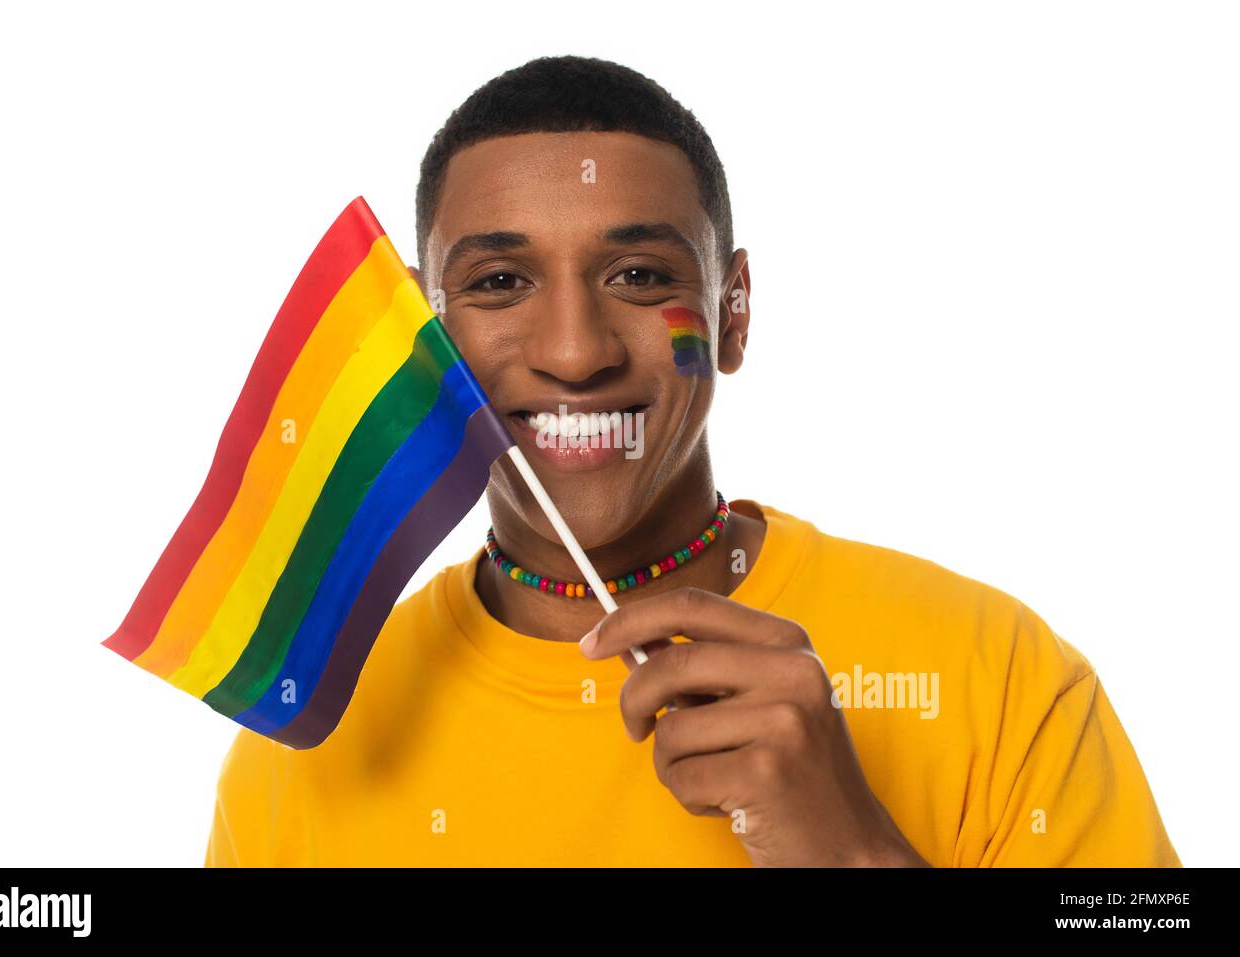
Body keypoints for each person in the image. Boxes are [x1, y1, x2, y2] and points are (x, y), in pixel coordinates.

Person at [204, 55, 1179, 867]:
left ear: (732, 310)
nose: (575, 352)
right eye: (499, 282)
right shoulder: (304, 745)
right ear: (422, 337)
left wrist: (853, 854)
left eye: (638, 276)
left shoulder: (998, 673)